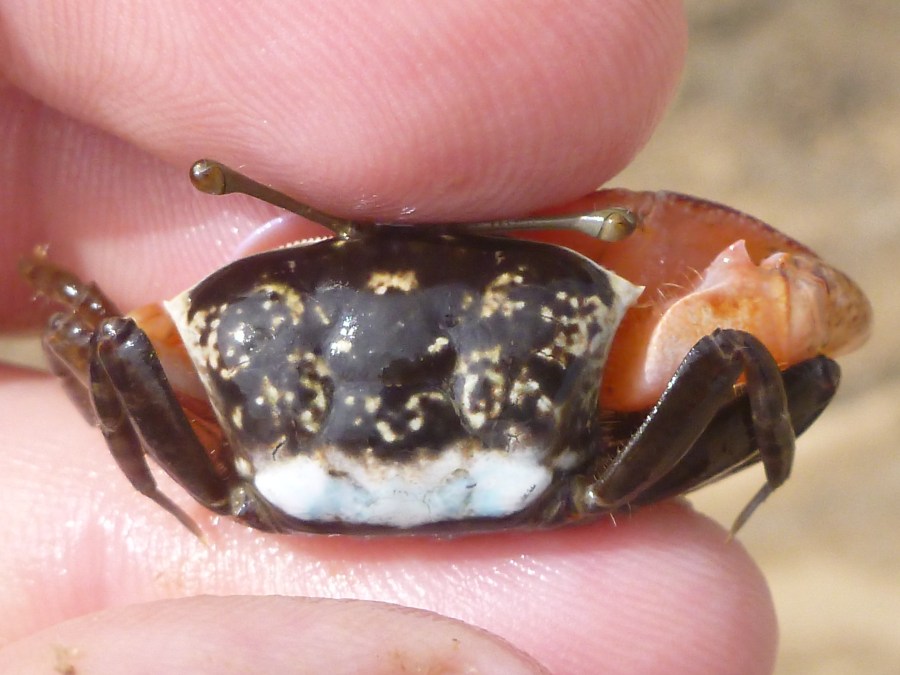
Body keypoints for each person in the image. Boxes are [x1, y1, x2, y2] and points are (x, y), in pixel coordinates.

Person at [0, 2, 777, 672]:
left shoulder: (230, 331)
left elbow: (106, 351)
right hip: (577, 486)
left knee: (107, 342)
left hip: (252, 490)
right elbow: (769, 354)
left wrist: (137, 432)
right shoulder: (569, 311)